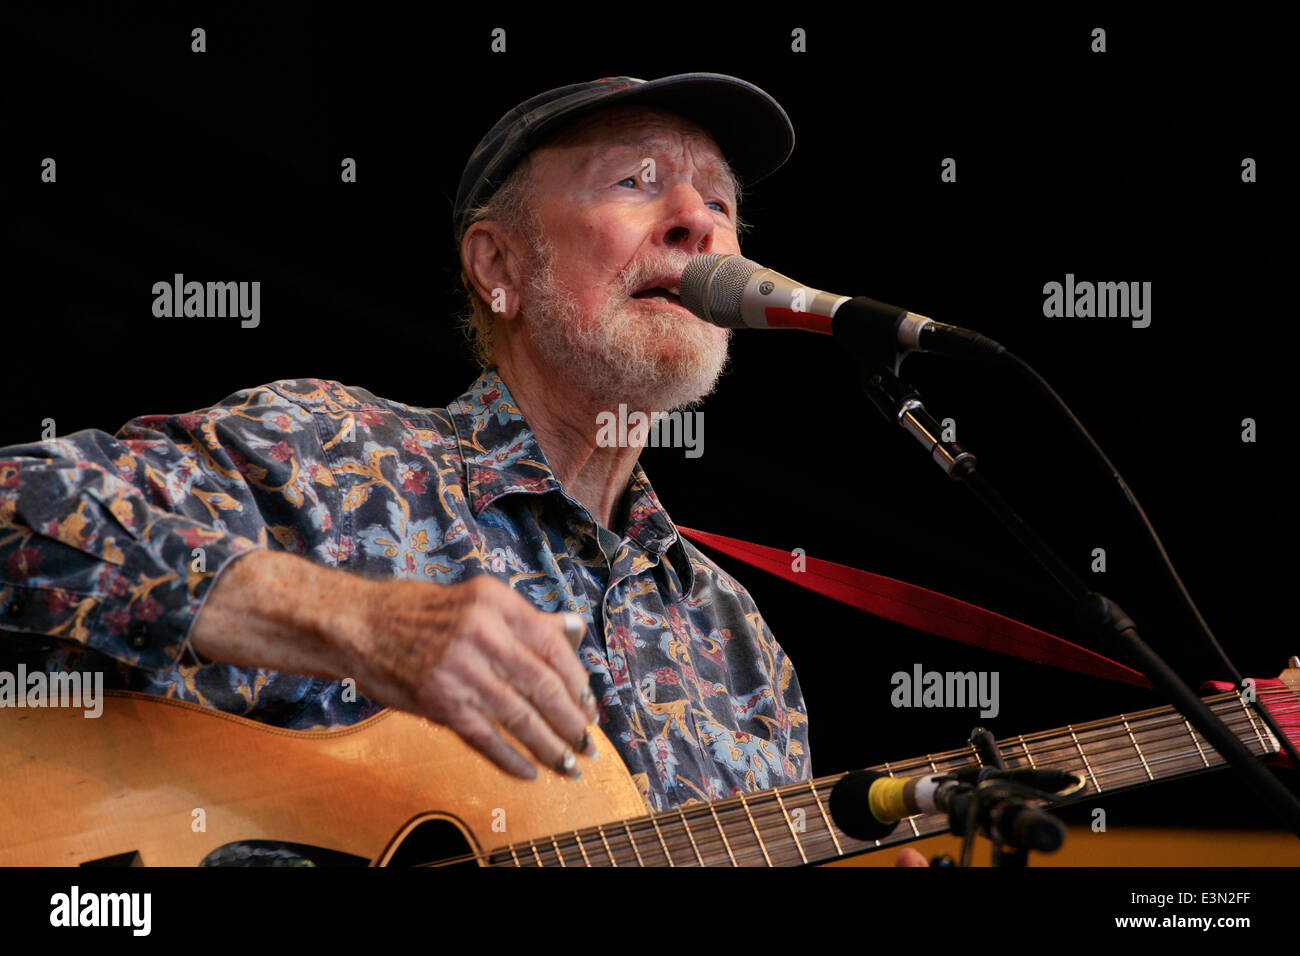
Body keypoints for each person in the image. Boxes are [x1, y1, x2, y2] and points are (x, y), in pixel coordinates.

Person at [0, 72, 926, 865]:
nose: (698, 223)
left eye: (721, 203)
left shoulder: (743, 652)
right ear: (498, 264)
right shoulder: (335, 451)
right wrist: (343, 615)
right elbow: (15, 506)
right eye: (639, 181)